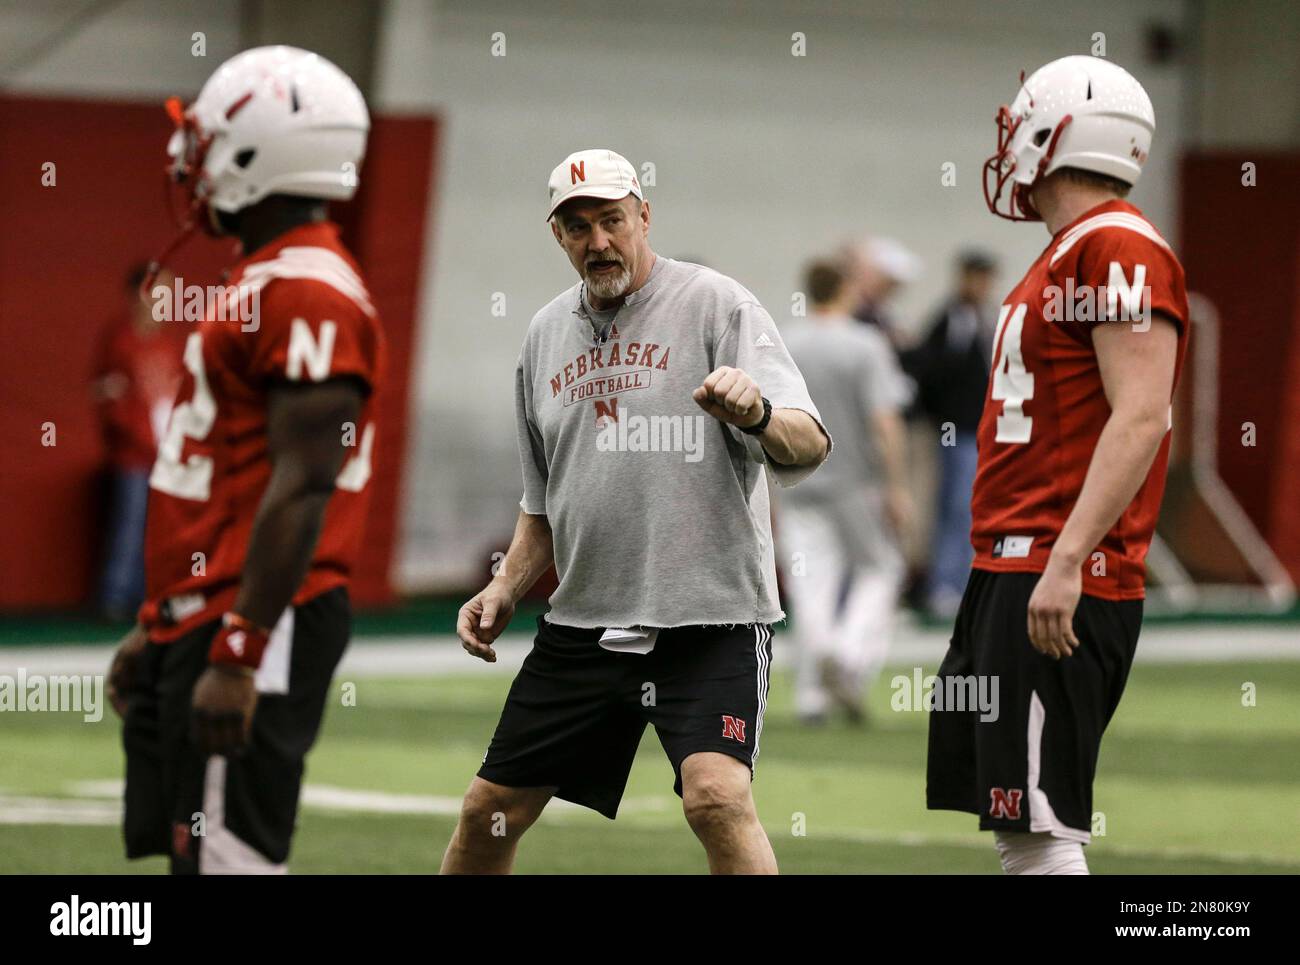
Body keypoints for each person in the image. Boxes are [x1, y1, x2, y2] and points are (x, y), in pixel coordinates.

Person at [441, 148, 830, 875]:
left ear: (644, 216)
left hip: (709, 619)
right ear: (557, 235)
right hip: (584, 624)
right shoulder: (542, 336)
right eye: (577, 226)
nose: (598, 242)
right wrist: (504, 585)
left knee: (716, 798)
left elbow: (808, 445)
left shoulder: (718, 305)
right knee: (488, 813)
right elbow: (542, 505)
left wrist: (759, 412)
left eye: (612, 220)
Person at [106, 46, 384, 874]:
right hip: (216, 603)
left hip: (260, 613)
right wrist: (163, 621)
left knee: (229, 862)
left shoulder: (306, 289)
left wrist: (239, 646)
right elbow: (241, 478)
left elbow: (304, 482)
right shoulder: (265, 277)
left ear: (257, 151)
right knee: (196, 855)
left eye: (206, 140)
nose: (190, 162)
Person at [926, 55, 1189, 874]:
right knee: (1021, 823)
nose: (1008, 148)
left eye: (1019, 127)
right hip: (1011, 564)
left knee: (1042, 828)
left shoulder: (1115, 246)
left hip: (1055, 564)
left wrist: (1069, 558)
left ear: (1059, 132)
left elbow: (1143, 414)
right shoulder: (1069, 249)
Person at [777, 259, 912, 724]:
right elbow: (885, 421)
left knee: (812, 581)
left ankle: (813, 696)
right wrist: (896, 487)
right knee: (882, 569)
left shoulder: (786, 342)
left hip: (796, 480)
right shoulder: (864, 343)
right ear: (845, 290)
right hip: (855, 482)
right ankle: (848, 658)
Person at [92, 264, 186, 621]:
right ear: (137, 295)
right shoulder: (120, 340)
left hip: (165, 455)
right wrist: (134, 433)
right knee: (128, 524)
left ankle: (152, 596)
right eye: (156, 291)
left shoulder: (167, 344)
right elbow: (107, 395)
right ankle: (114, 597)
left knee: (161, 529)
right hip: (133, 455)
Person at [907, 251, 998, 618]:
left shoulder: (986, 320)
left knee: (973, 507)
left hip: (980, 430)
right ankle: (944, 584)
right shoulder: (950, 321)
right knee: (956, 506)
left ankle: (964, 581)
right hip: (955, 431)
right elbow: (929, 371)